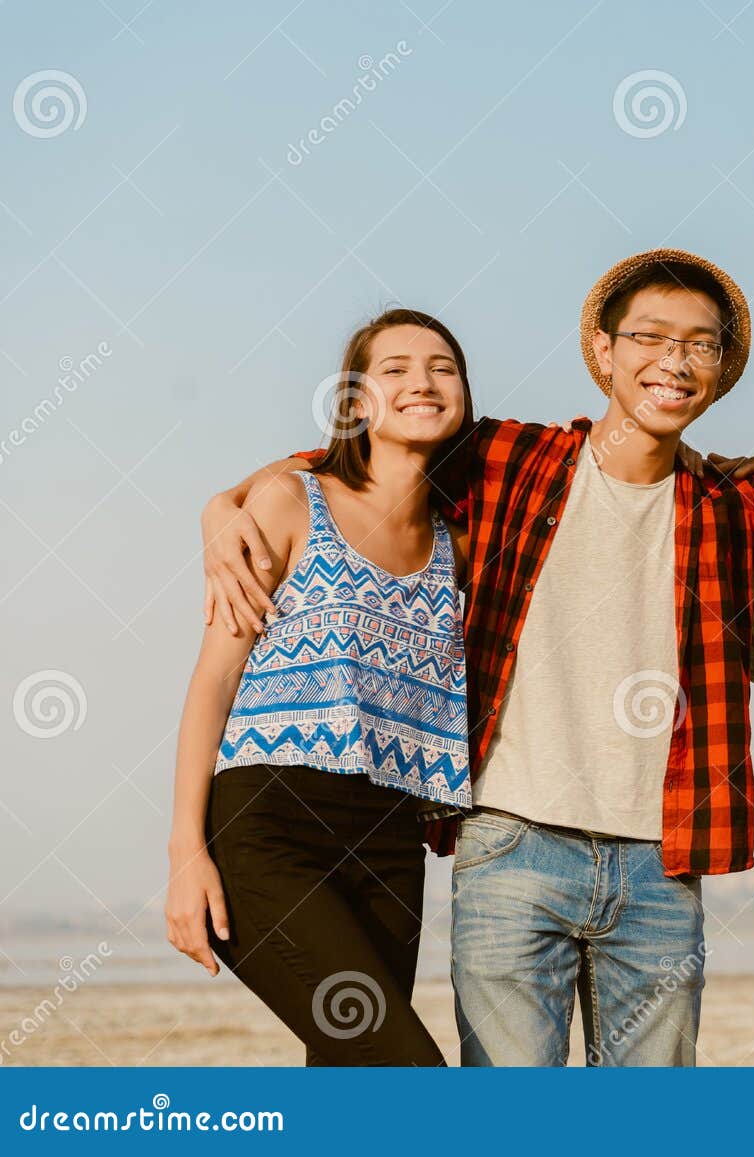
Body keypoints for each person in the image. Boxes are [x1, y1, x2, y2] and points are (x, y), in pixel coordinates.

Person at [199, 250, 754, 1067]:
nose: (674, 360)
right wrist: (222, 503)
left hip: (662, 863)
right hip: (513, 847)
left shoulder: (738, 503)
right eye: (651, 337)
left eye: (700, 344)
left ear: (720, 365)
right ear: (603, 349)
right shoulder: (514, 462)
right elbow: (363, 459)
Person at [165, 309, 474, 1065]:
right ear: (356, 402)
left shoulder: (455, 545)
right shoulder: (290, 500)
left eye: (441, 366)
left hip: (391, 841)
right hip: (268, 828)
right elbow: (214, 680)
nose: (422, 381)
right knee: (408, 1069)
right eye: (394, 368)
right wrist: (183, 853)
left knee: (348, 1079)